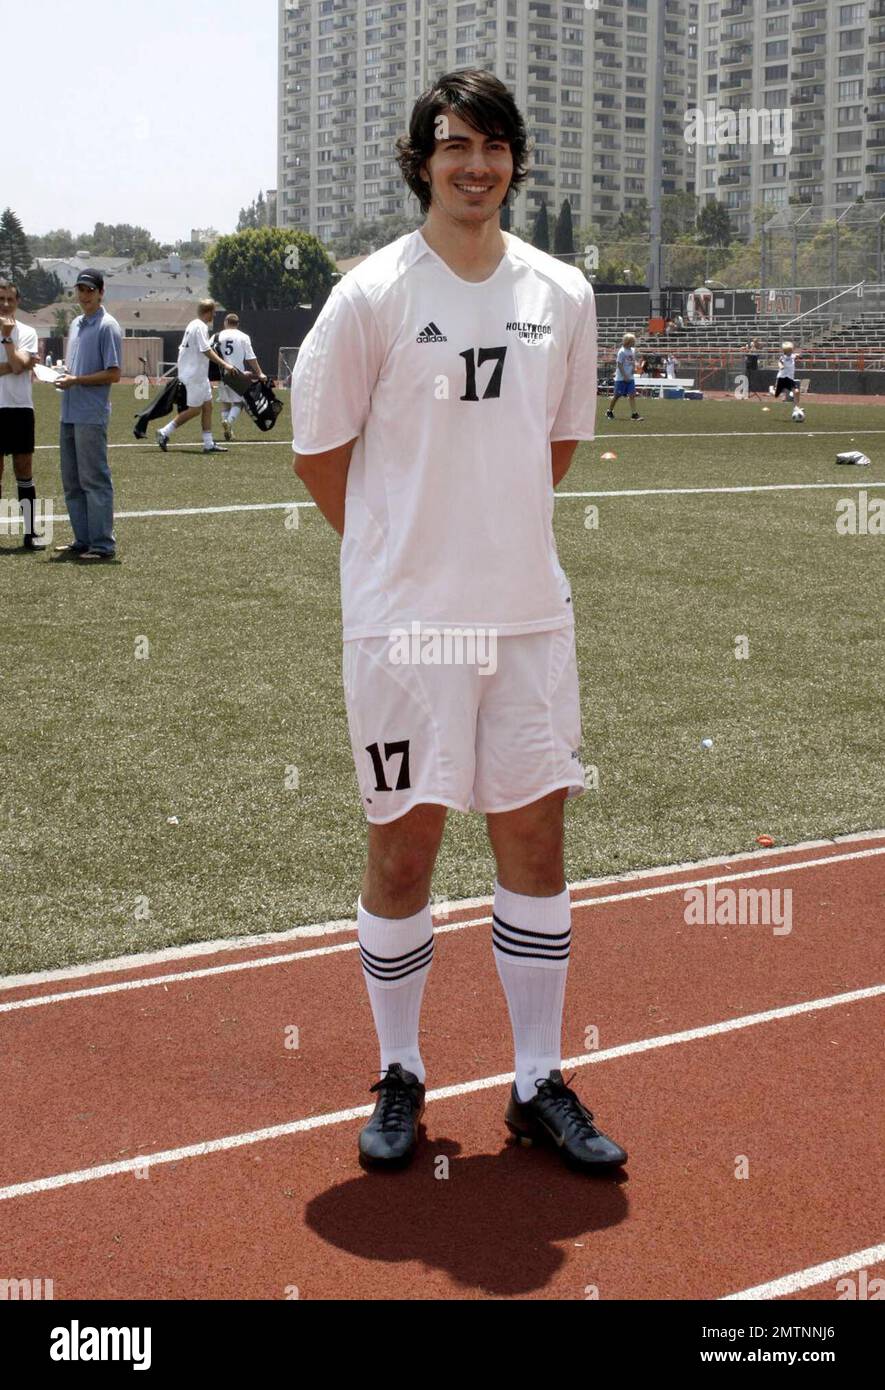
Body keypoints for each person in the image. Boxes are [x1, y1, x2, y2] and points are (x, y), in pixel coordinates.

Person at [291, 68, 627, 1174]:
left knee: (534, 836)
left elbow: (554, 447)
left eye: (493, 147)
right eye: (454, 147)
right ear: (421, 161)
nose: (474, 166)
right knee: (405, 845)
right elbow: (319, 450)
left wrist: (487, 539)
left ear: (515, 161)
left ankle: (537, 1081)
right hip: (405, 630)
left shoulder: (562, 294)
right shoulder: (372, 294)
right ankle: (401, 1070)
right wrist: (399, 559)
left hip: (527, 618)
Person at [53, 269, 122, 562]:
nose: (84, 296)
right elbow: (77, 370)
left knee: (94, 479)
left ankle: (102, 545)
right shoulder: (77, 324)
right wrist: (63, 376)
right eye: (80, 290)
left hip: (90, 414)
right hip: (69, 411)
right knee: (71, 480)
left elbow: (114, 373)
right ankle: (82, 539)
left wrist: (77, 380)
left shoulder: (108, 326)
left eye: (90, 290)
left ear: (101, 292)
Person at [156, 300, 237, 453]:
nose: (214, 314)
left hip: (198, 375)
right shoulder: (200, 326)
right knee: (195, 410)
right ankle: (164, 432)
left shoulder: (193, 324)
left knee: (208, 406)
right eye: (213, 311)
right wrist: (225, 364)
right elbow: (205, 350)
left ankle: (208, 444)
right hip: (194, 375)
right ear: (208, 311)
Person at [0, 279, 45, 550]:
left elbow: (18, 367)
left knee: (24, 470)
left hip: (20, 408)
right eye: (0, 298)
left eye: (10, 299)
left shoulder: (27, 332)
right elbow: (20, 365)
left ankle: (30, 533)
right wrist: (17, 364)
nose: (5, 303)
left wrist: (7, 339)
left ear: (18, 302)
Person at [214, 313, 265, 440]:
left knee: (225, 402)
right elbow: (250, 357)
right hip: (237, 374)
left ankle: (229, 431)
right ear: (237, 324)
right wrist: (259, 373)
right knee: (240, 402)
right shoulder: (243, 337)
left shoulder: (217, 336)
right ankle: (229, 423)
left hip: (222, 373)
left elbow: (209, 352)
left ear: (226, 322)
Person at [605, 332, 643, 421]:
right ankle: (609, 411)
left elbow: (633, 360)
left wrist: (634, 368)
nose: (634, 342)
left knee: (632, 395)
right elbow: (619, 364)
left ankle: (634, 414)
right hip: (621, 378)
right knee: (617, 395)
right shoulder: (621, 352)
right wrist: (624, 376)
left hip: (630, 377)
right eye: (633, 341)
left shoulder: (632, 350)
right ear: (628, 342)